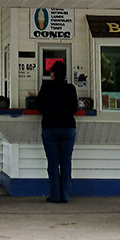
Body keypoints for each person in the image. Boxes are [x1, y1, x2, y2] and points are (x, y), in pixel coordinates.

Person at [36, 61, 78, 203]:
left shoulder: (46, 87)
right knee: (66, 162)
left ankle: (55, 195)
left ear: (53, 74)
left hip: (50, 127)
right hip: (68, 127)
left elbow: (39, 106)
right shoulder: (71, 88)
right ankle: (65, 195)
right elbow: (74, 108)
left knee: (53, 163)